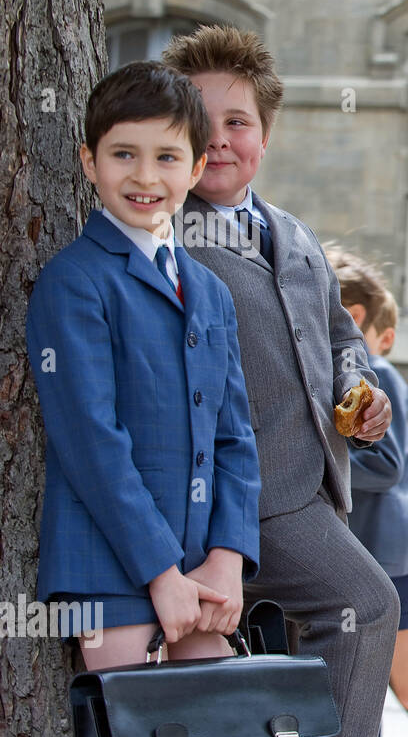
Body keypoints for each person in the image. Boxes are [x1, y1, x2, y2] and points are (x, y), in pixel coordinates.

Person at [162, 25, 399, 737]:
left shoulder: (291, 233)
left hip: (316, 490)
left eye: (238, 123)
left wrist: (361, 394)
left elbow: (339, 337)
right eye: (201, 122)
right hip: (239, 503)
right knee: (364, 606)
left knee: (320, 656)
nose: (220, 140)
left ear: (266, 135)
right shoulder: (164, 237)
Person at [26, 61, 260, 668]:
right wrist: (160, 571)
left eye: (166, 157)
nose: (145, 176)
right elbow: (89, 440)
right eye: (123, 154)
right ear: (88, 162)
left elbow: (235, 436)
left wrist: (228, 556)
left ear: (197, 166)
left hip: (202, 570)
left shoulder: (209, 291)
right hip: (108, 569)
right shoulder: (74, 281)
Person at [328, 253, 408, 737]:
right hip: (385, 553)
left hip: (390, 557)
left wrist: (321, 466)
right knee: (374, 688)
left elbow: (389, 469)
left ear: (351, 317)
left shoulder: (376, 373)